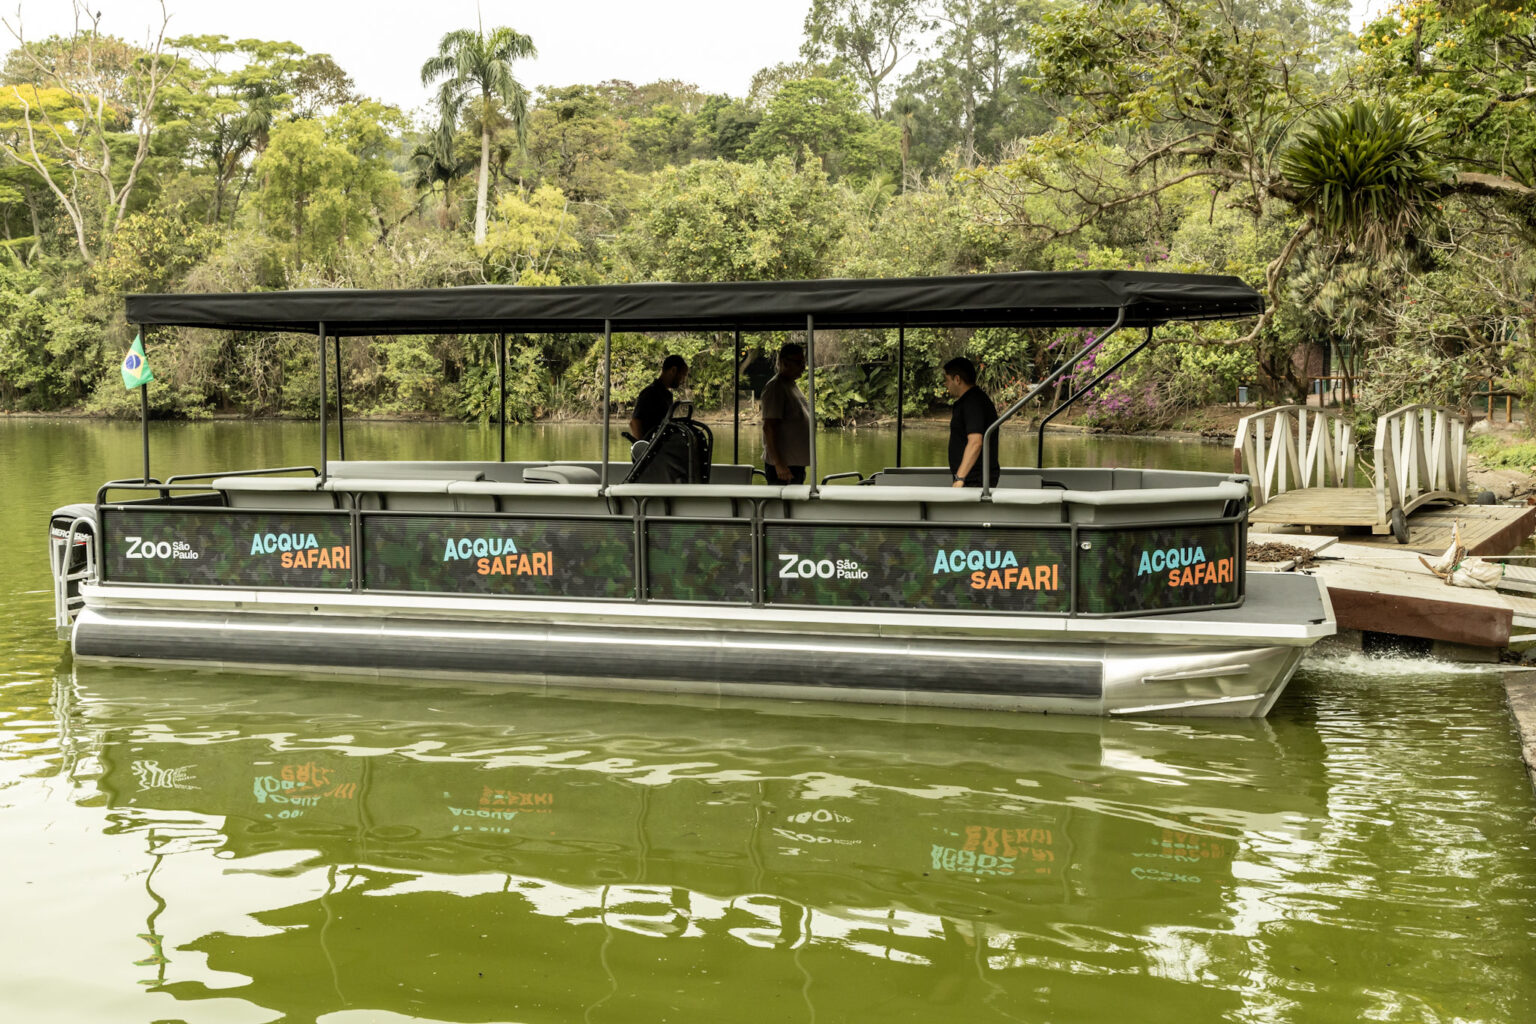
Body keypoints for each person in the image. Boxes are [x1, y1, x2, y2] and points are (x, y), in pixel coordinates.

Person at [944, 356, 1000, 488]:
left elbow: (975, 442)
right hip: (971, 479)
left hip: (975, 481)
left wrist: (960, 478)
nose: (946, 385)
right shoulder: (971, 400)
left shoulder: (973, 402)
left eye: (947, 380)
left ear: (957, 379)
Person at [761, 342, 811, 484]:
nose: (803, 367)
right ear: (784, 362)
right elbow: (769, 427)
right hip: (784, 468)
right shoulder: (775, 387)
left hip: (795, 464)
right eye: (798, 362)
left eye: (803, 362)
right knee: (782, 506)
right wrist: (779, 465)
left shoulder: (791, 385)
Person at [630, 354, 688, 441]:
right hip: (650, 451)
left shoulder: (667, 395)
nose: (683, 380)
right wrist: (643, 448)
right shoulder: (650, 393)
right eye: (683, 375)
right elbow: (635, 422)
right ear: (673, 370)